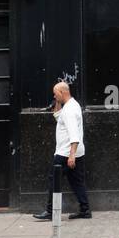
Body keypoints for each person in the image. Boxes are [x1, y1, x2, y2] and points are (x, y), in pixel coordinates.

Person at [34, 81, 90, 221]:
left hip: (65, 153)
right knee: (77, 182)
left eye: (55, 93)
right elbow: (59, 118)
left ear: (62, 92)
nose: (54, 95)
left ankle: (50, 211)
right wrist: (57, 103)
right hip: (75, 152)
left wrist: (71, 155)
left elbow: (74, 134)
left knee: (54, 180)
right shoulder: (71, 105)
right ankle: (85, 210)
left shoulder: (70, 110)